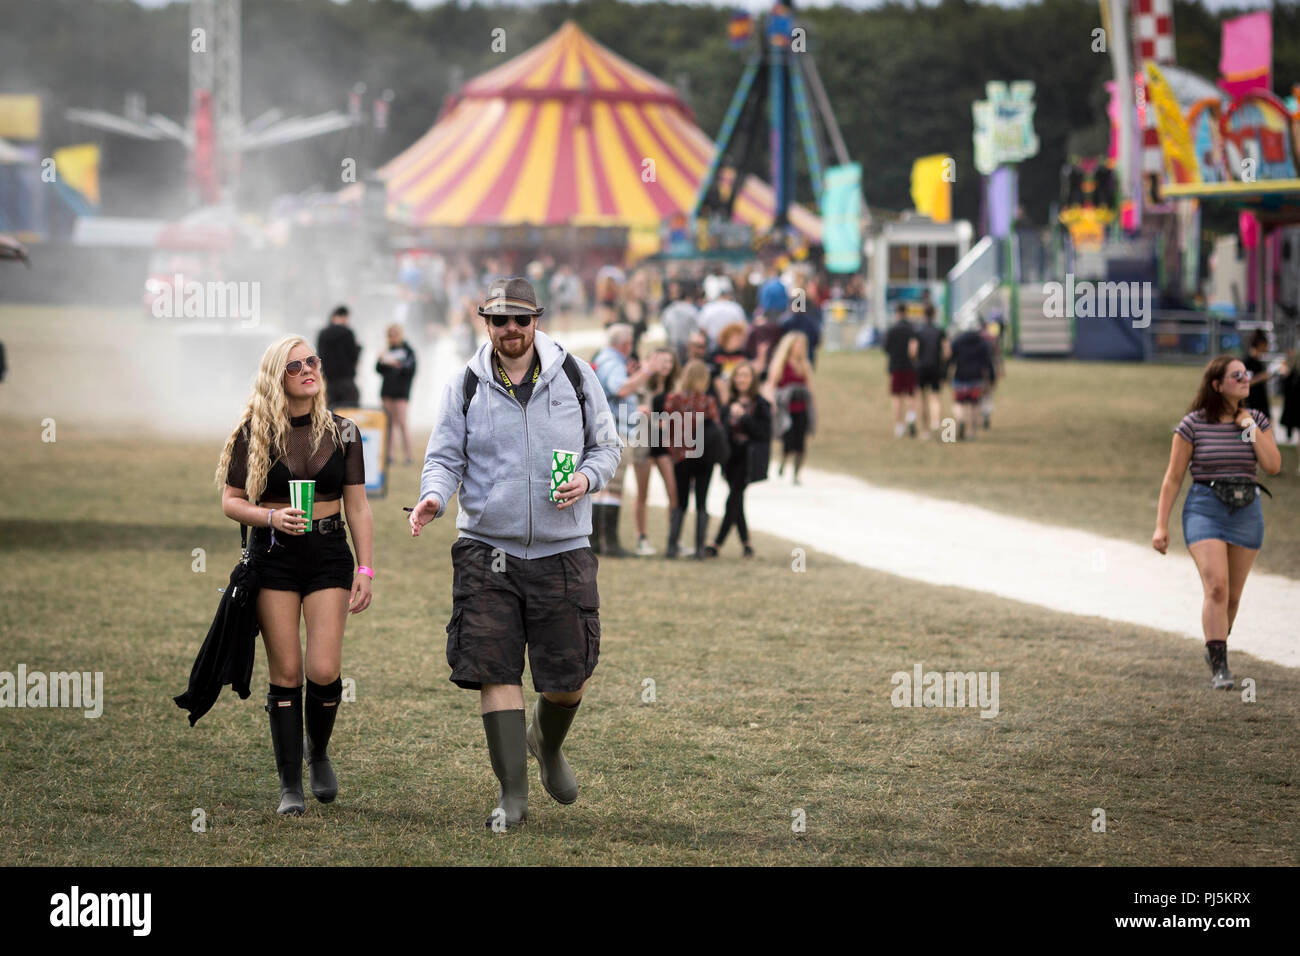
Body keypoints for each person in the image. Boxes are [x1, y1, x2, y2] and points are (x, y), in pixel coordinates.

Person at [409, 276, 619, 830]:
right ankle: (513, 794)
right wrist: (433, 496)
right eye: (499, 320)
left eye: (521, 320)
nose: (511, 330)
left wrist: (589, 478)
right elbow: (444, 456)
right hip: (486, 548)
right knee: (494, 667)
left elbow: (607, 445)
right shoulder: (467, 384)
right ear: (486, 322)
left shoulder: (576, 375)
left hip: (562, 547)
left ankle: (546, 746)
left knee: (566, 679)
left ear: (537, 321)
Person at [215, 336, 374, 815]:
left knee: (323, 669)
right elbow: (231, 501)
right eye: (295, 366)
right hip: (274, 555)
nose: (309, 369)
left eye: (312, 361)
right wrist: (269, 518)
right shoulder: (254, 431)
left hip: (328, 553)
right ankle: (290, 785)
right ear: (276, 378)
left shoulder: (344, 431)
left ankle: (319, 752)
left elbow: (359, 506)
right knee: (285, 672)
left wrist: (365, 567)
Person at [1152, 355, 1281, 690]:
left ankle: (1215, 646)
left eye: (1246, 374)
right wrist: (1161, 525)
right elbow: (1173, 478)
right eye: (1235, 375)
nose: (1244, 379)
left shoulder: (1257, 420)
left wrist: (1250, 429)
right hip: (1204, 509)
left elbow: (1273, 465)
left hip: (1246, 511)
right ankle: (1220, 666)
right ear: (1217, 384)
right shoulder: (1192, 424)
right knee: (1217, 587)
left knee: (1233, 598)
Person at [592, 323, 665, 557]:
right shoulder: (613, 363)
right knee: (614, 488)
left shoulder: (604, 359)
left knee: (604, 489)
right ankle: (610, 543)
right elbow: (621, 389)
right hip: (616, 432)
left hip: (607, 428)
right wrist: (646, 372)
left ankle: (597, 542)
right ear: (626, 344)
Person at [705, 360, 770, 558]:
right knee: (737, 500)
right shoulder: (727, 405)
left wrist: (744, 418)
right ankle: (746, 544)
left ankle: (716, 543)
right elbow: (722, 431)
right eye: (739, 376)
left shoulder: (761, 405)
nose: (742, 380)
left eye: (746, 376)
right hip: (730, 458)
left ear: (753, 380)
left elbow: (764, 434)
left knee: (733, 498)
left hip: (748, 458)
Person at [664, 359, 722, 558]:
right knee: (702, 501)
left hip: (681, 457)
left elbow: (665, 426)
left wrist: (673, 449)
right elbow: (716, 429)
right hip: (704, 457)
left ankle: (671, 547)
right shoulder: (708, 401)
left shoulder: (674, 399)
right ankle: (699, 549)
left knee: (680, 502)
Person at [631, 347, 681, 555]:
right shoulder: (641, 385)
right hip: (644, 444)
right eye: (662, 361)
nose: (666, 366)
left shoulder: (674, 389)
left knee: (674, 493)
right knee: (643, 493)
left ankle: (673, 540)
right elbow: (630, 408)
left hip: (665, 447)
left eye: (670, 362)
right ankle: (642, 538)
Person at [766, 331, 815, 484]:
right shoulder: (780, 363)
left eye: (802, 345)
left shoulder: (804, 364)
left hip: (801, 406)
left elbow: (809, 387)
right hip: (785, 407)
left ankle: (796, 473)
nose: (800, 348)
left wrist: (812, 405)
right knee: (788, 439)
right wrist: (772, 402)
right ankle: (783, 461)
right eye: (797, 345)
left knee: (801, 442)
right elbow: (771, 385)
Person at [375, 323, 417, 466]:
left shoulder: (408, 350)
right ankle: (390, 455)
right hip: (387, 391)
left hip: (401, 392)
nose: (391, 338)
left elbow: (410, 369)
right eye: (389, 335)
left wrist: (394, 364)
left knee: (402, 423)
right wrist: (381, 359)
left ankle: (408, 455)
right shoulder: (387, 350)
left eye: (394, 334)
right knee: (389, 424)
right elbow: (378, 369)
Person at [948, 315, 996, 441]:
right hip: (976, 378)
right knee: (975, 405)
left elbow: (950, 359)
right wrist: (991, 378)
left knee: (958, 403)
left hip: (960, 377)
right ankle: (971, 433)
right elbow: (988, 363)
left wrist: (947, 374)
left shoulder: (957, 341)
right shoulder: (982, 343)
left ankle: (960, 420)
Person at [883, 302, 919, 438]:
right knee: (911, 394)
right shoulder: (912, 329)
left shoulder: (892, 330)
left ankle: (899, 426)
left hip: (896, 367)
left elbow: (886, 349)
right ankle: (911, 415)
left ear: (896, 313)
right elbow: (914, 349)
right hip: (910, 366)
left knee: (897, 397)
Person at [914, 304, 950, 439]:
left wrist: (917, 360)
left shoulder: (918, 331)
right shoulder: (940, 331)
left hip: (921, 367)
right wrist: (942, 362)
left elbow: (913, 351)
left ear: (923, 315)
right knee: (935, 397)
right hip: (936, 367)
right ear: (934, 314)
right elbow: (947, 351)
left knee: (921, 398)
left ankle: (924, 430)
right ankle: (936, 423)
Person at [317, 305, 362, 409]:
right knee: (349, 412)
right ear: (344, 317)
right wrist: (358, 348)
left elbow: (319, 355)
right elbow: (353, 355)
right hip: (346, 380)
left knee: (331, 411)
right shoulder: (347, 332)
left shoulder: (323, 333)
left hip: (329, 380)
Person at [697, 275, 747, 347]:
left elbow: (702, 329)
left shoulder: (708, 308)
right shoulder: (736, 308)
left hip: (713, 346)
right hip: (732, 347)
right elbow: (743, 328)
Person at [660, 280, 700, 364]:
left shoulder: (668, 310)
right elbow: (696, 330)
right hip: (688, 346)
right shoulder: (691, 309)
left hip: (674, 344)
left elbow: (665, 327)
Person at [1243, 329, 1272, 416]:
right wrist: (1261, 377)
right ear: (1260, 345)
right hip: (1252, 404)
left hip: (1261, 403)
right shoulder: (1247, 362)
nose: (1267, 348)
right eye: (1266, 345)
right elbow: (1246, 383)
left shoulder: (1259, 362)